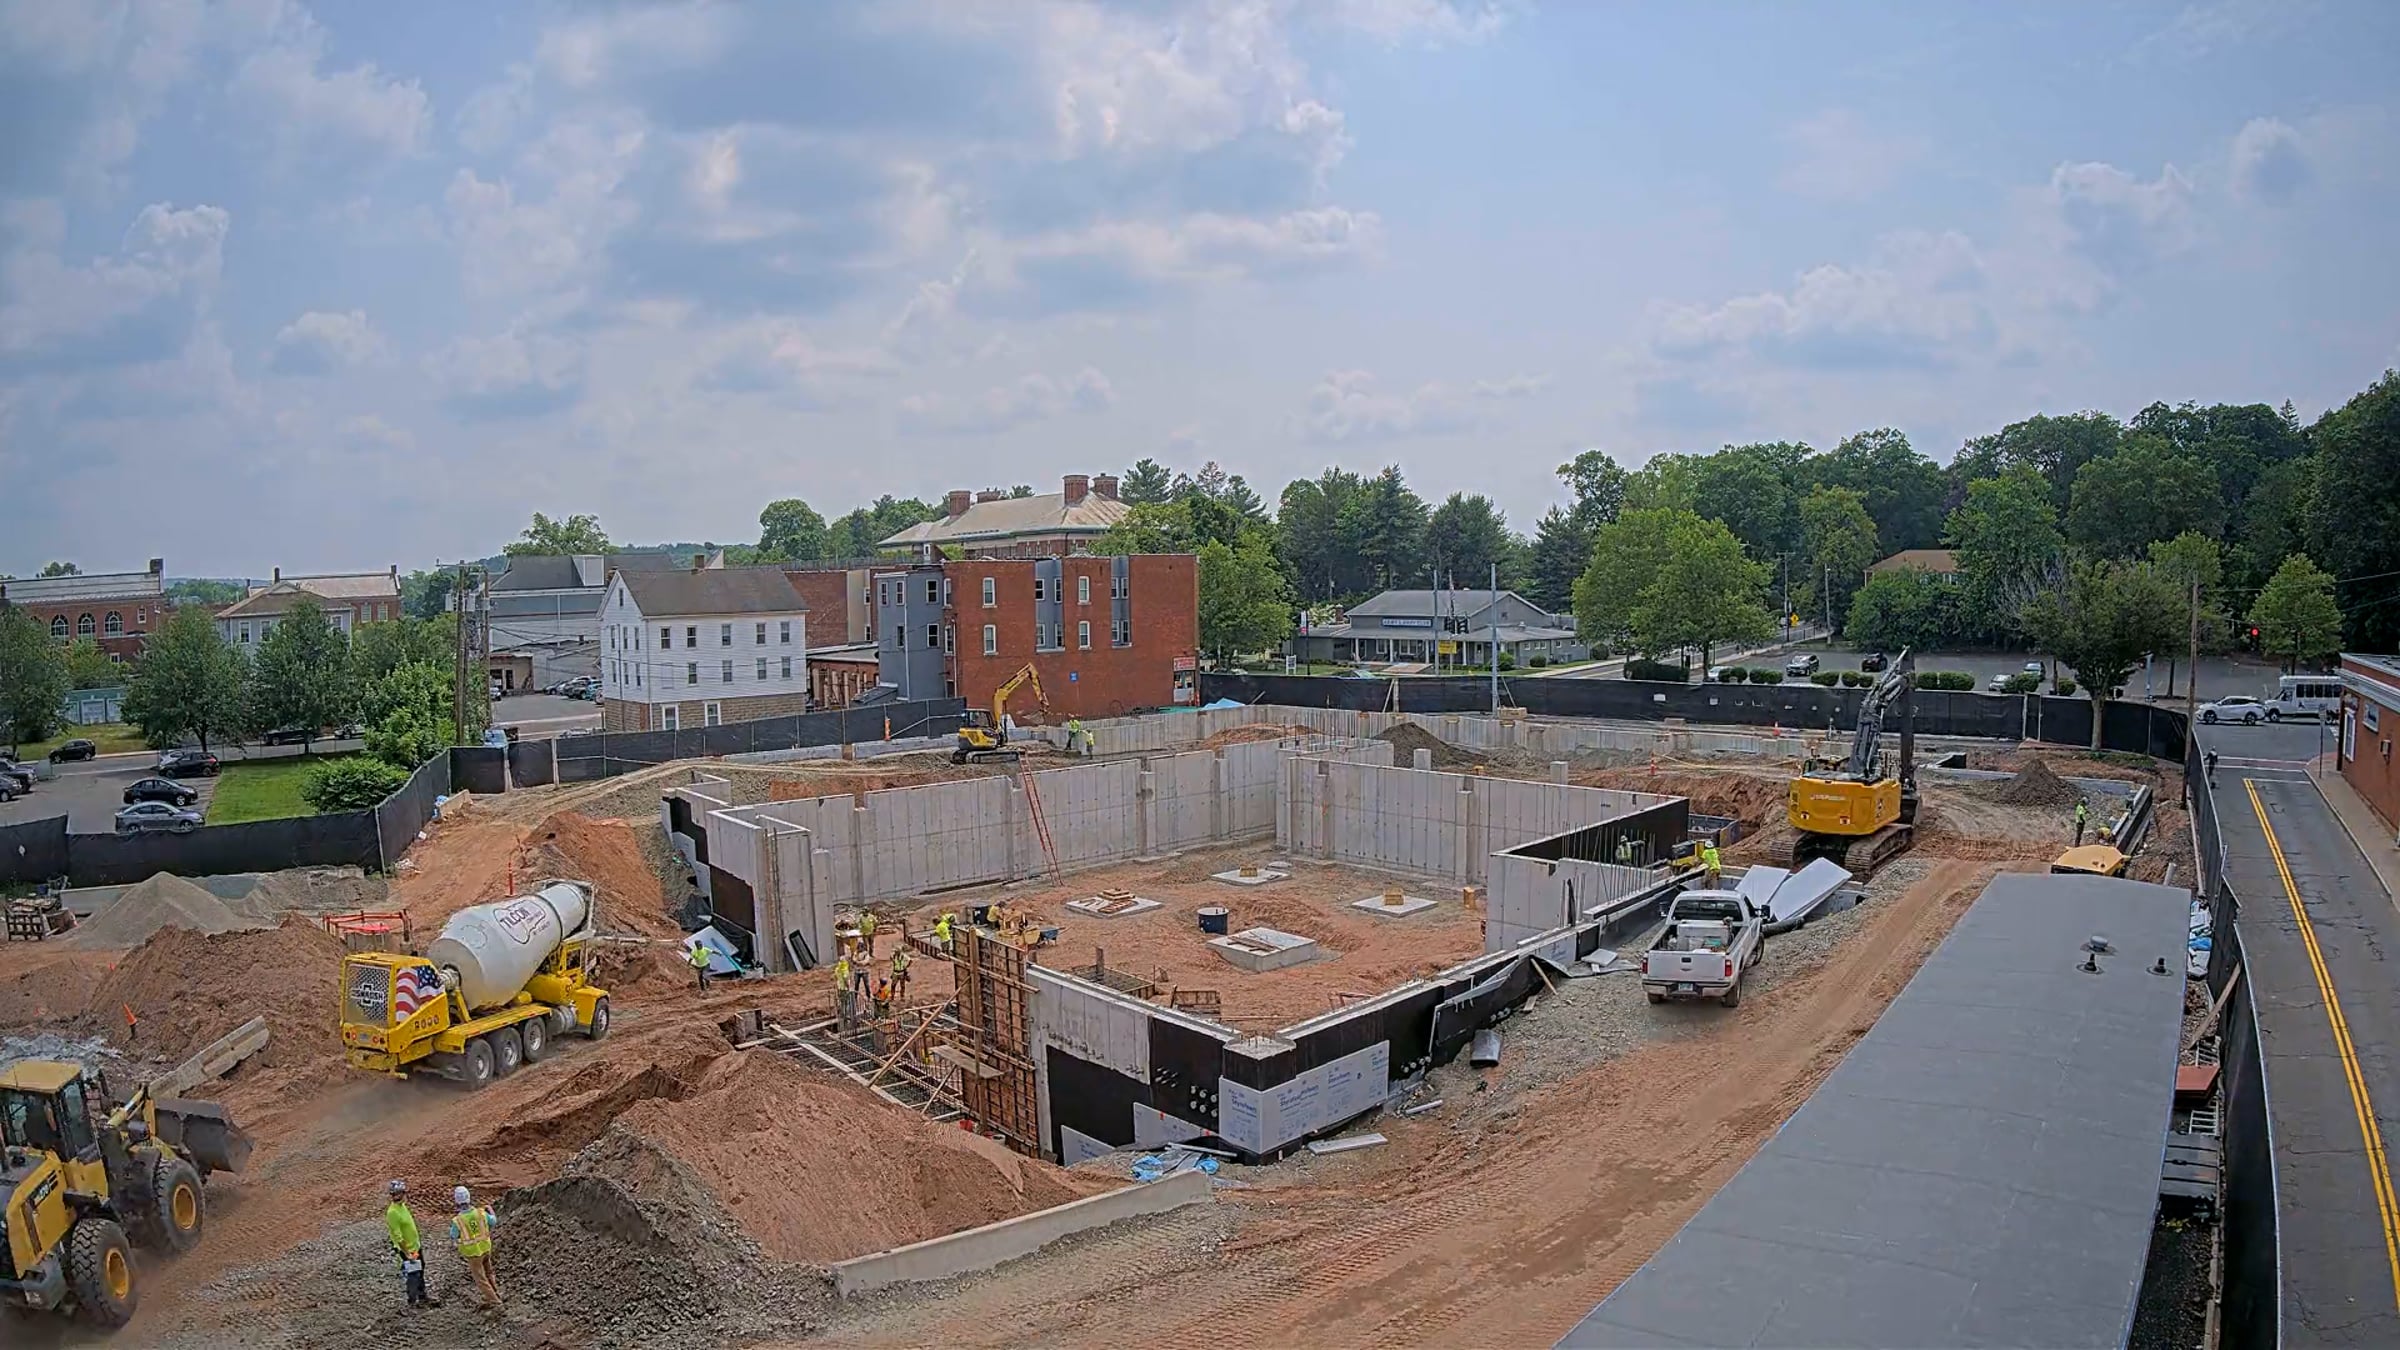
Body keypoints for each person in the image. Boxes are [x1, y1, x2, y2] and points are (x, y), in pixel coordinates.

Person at [385, 1180, 438, 1310]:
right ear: (396, 1194)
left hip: (415, 1246)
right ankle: (412, 1302)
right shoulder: (392, 1212)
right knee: (413, 1274)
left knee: (420, 1270)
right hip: (408, 1249)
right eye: (402, 1193)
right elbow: (398, 1236)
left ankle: (422, 1296)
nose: (404, 1195)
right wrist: (407, 1253)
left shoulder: (402, 1206)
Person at [450, 1185, 503, 1310]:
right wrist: (490, 1210)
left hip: (473, 1254)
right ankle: (496, 1293)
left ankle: (495, 1301)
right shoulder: (481, 1213)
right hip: (486, 1248)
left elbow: (453, 1235)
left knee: (480, 1279)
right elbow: (493, 1222)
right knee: (489, 1272)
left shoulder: (458, 1220)